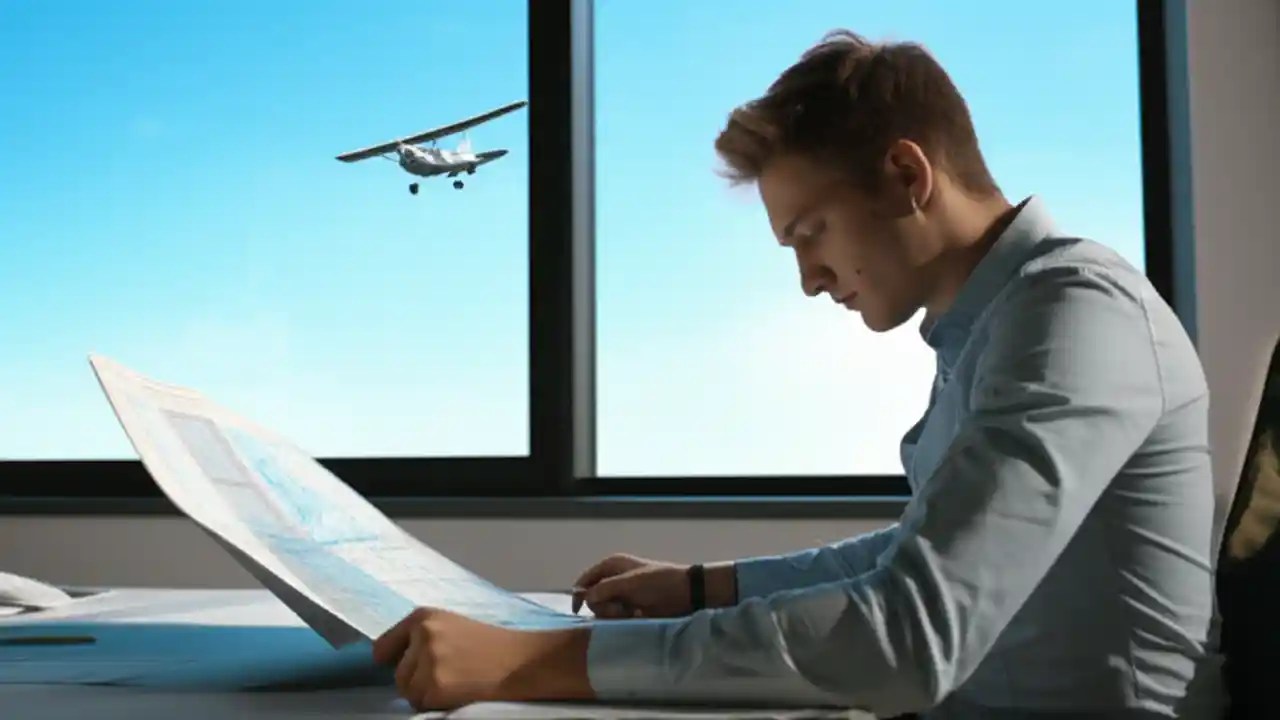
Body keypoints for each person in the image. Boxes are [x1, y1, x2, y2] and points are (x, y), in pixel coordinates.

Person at [370, 30, 1224, 719]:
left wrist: (535, 661)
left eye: (810, 232)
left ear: (905, 175)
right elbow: (919, 554)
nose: (809, 279)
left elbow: (909, 636)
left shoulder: (1076, 314)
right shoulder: (993, 326)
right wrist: (703, 587)